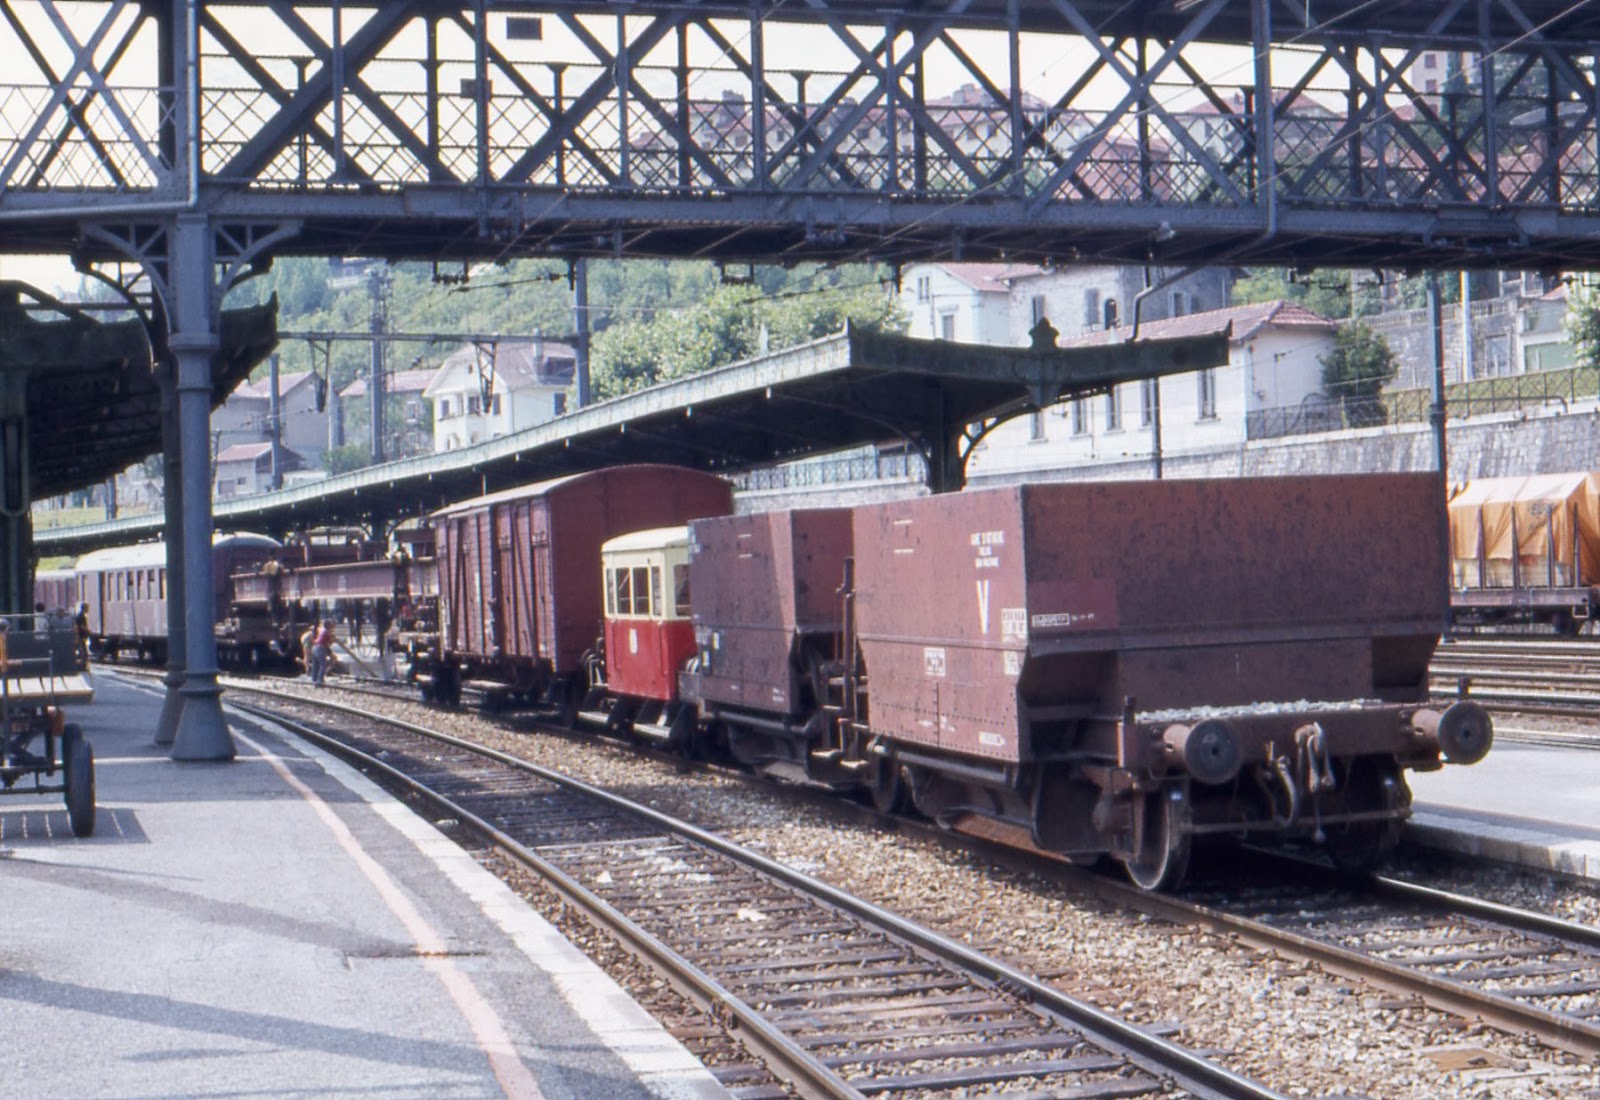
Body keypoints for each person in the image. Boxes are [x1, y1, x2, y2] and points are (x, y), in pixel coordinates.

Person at [310, 619, 335, 685]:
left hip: (315, 647)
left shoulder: (322, 630)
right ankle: (320, 680)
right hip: (320, 648)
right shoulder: (327, 632)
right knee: (323, 665)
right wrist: (332, 639)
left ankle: (314, 679)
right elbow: (329, 642)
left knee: (316, 665)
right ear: (328, 625)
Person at [74, 602, 90, 667]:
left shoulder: (80, 615)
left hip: (80, 636)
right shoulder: (81, 616)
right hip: (80, 636)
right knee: (83, 651)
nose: (88, 609)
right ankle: (83, 664)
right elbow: (81, 626)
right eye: (87, 608)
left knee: (82, 650)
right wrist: (88, 631)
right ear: (84, 608)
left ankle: (83, 663)